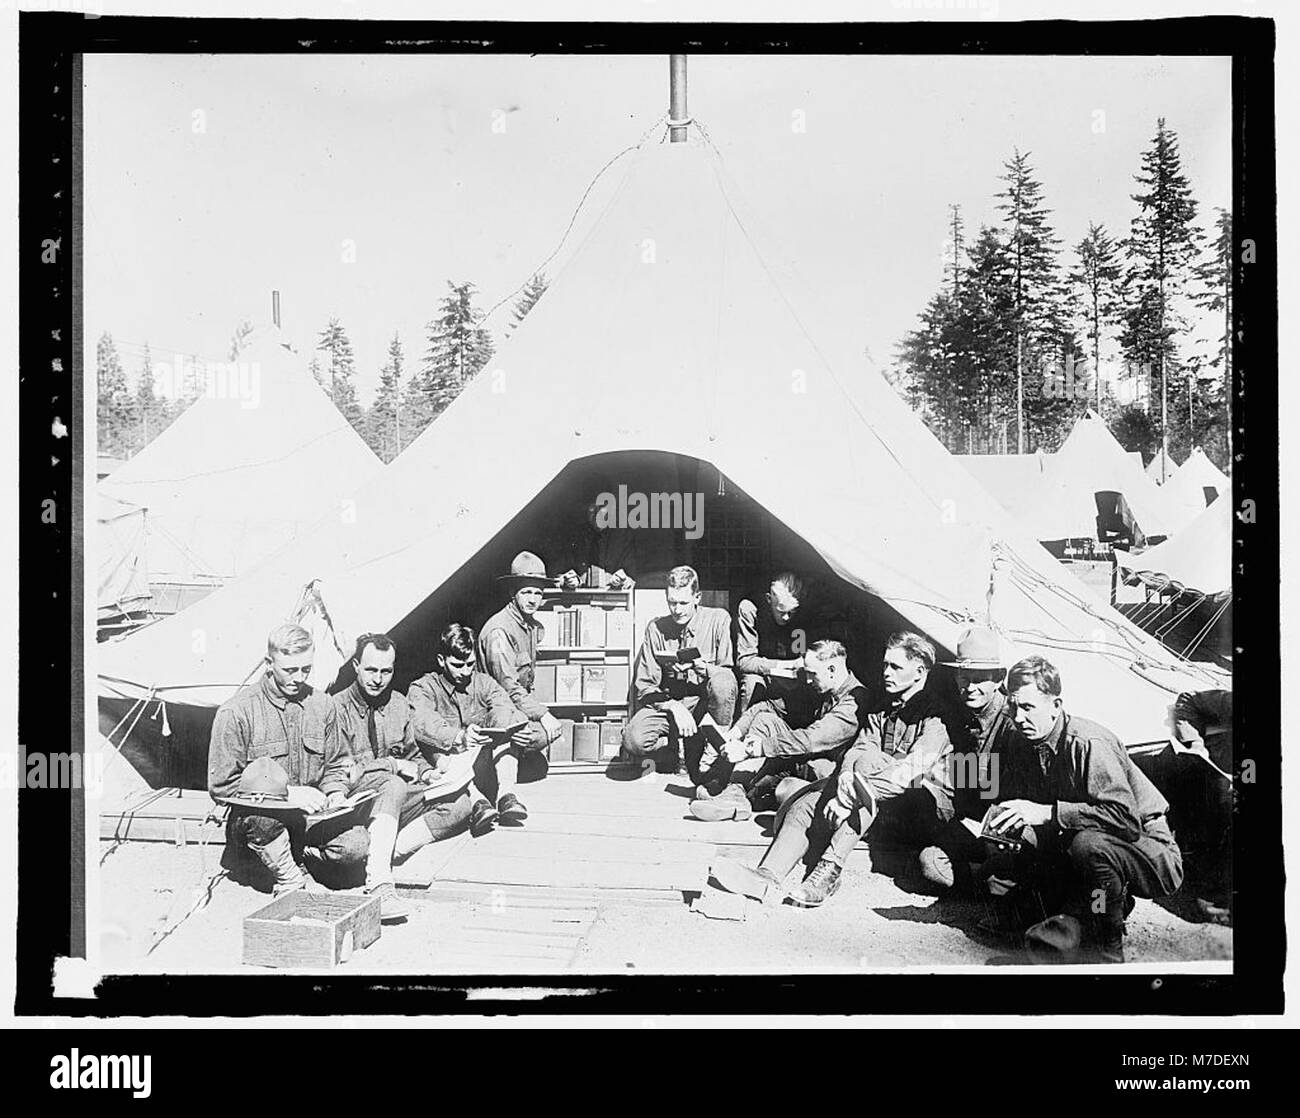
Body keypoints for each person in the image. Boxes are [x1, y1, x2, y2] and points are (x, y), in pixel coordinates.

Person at [708, 631, 953, 909]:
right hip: (874, 800)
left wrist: (853, 792)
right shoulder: (884, 707)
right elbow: (859, 748)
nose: (886, 672)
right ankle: (767, 875)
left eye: (895, 667)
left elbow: (909, 771)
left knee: (870, 767)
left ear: (919, 671)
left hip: (921, 811)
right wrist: (847, 779)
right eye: (885, 665)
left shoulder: (937, 715)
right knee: (805, 806)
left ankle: (829, 870)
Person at [985, 655, 1184, 963]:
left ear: (1056, 705)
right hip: (1095, 844)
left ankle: (1107, 952)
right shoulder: (1025, 740)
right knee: (1028, 836)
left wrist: (1047, 813)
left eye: (1027, 707)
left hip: (1150, 850)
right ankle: (1094, 909)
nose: (1018, 716)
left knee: (1088, 847)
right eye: (1012, 707)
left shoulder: (1088, 742)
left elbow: (1125, 821)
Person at [208, 623, 363, 896]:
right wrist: (287, 793)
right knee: (259, 820)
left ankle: (298, 858)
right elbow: (222, 785)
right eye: (289, 670)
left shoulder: (323, 705)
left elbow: (337, 763)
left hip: (309, 822)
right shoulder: (236, 712)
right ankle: (292, 879)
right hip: (259, 825)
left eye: (306, 669)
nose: (299, 678)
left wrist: (336, 792)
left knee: (356, 846)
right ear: (269, 663)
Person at [333, 633, 477, 922]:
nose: (378, 679)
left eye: (386, 671)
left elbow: (413, 755)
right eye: (371, 670)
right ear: (356, 667)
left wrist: (427, 772)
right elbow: (343, 772)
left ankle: (383, 852)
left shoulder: (398, 704)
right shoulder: (335, 708)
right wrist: (392, 764)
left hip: (393, 803)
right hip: (356, 802)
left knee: (461, 805)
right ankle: (379, 885)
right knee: (393, 786)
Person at [690, 639, 869, 821]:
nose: (807, 680)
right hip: (805, 757)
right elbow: (769, 706)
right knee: (765, 720)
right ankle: (735, 791)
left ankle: (740, 794)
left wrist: (751, 749)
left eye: (812, 674)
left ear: (832, 670)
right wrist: (736, 732)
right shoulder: (821, 686)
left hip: (827, 769)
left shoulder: (854, 701)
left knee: (774, 780)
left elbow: (811, 739)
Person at [409, 623, 545, 830]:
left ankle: (506, 796)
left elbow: (504, 706)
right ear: (441, 661)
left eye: (470, 664)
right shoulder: (423, 687)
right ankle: (476, 801)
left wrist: (517, 729)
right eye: (457, 665)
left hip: (483, 763)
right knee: (437, 751)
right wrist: (459, 737)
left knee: (507, 723)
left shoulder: (484, 682)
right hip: (448, 765)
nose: (465, 671)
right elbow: (421, 721)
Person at [914, 625, 1020, 893]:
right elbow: (965, 782)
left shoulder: (1013, 725)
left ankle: (1001, 885)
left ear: (998, 678)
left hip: (1008, 828)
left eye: (980, 678)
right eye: (964, 677)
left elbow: (1019, 794)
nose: (970, 687)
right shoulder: (965, 721)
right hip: (976, 822)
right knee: (930, 862)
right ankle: (989, 881)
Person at [621, 565, 736, 782]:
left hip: (705, 705)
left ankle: (712, 750)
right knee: (633, 740)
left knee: (723, 683)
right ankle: (672, 747)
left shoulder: (718, 620)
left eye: (683, 603)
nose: (677, 610)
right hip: (669, 705)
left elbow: (727, 677)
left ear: (697, 597)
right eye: (671, 602)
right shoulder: (656, 628)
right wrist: (674, 707)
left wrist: (706, 669)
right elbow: (645, 686)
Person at [476, 551, 564, 759]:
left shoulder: (527, 625)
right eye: (526, 592)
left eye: (538, 593)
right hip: (491, 709)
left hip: (513, 704)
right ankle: (492, 764)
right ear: (512, 593)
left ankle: (509, 753)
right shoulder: (500, 630)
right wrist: (543, 714)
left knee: (544, 733)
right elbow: (508, 687)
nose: (533, 600)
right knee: (540, 733)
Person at [734, 572, 808, 715]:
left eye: (792, 612)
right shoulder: (749, 610)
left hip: (790, 678)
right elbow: (745, 661)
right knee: (752, 684)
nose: (787, 618)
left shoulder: (799, 615)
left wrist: (799, 665)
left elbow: (801, 653)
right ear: (769, 599)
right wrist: (784, 665)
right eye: (781, 611)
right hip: (759, 674)